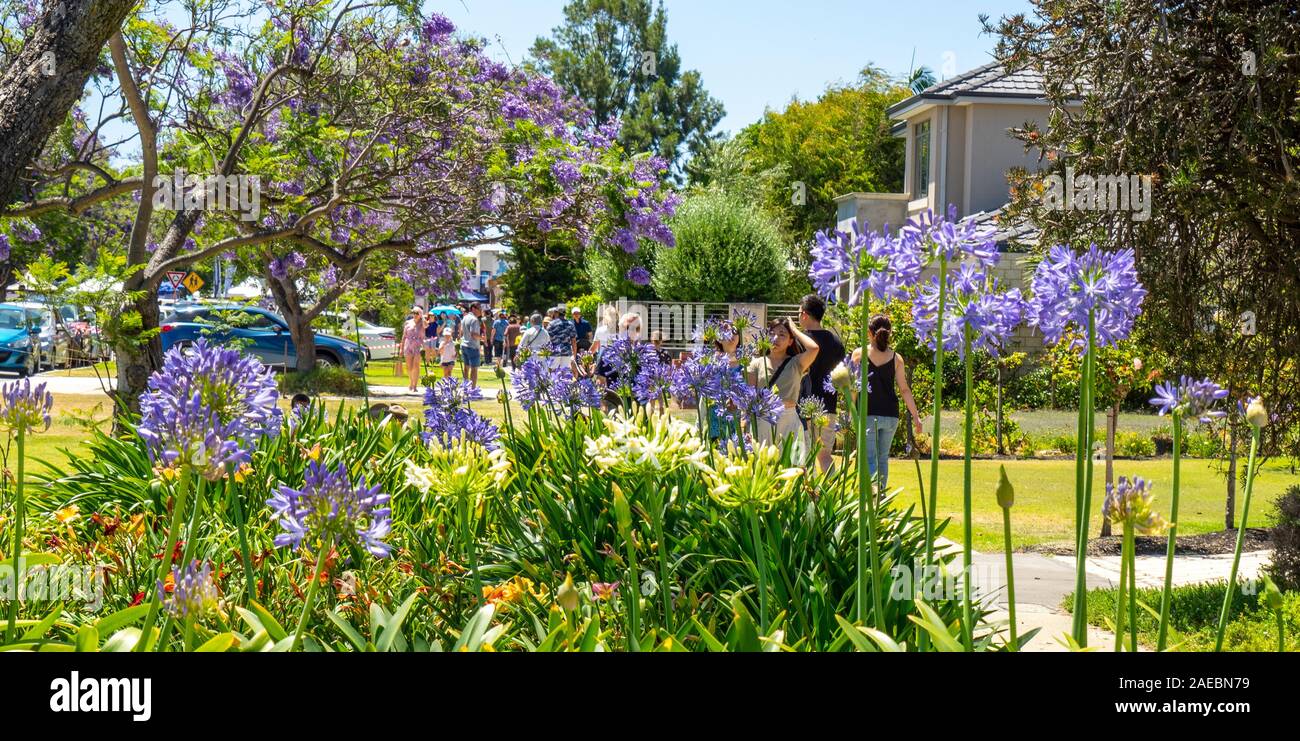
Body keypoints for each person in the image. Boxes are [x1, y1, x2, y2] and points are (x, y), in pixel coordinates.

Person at [850, 314, 923, 489]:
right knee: (882, 458)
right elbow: (904, 389)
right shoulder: (896, 358)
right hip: (890, 415)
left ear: (869, 332)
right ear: (889, 333)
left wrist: (851, 410)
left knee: (868, 458)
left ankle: (871, 497)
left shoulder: (859, 354)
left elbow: (853, 386)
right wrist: (916, 416)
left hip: (867, 412)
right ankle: (879, 497)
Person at [747, 318, 820, 459]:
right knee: (763, 465)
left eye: (782, 335)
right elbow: (750, 398)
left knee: (793, 465)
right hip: (763, 419)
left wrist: (795, 330)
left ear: (791, 341)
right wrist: (747, 426)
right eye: (771, 333)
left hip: (789, 418)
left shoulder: (796, 362)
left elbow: (814, 348)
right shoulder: (756, 363)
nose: (775, 338)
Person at [798, 294, 847, 472]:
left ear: (804, 314)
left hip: (803, 405)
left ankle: (807, 496)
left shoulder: (800, 341)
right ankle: (831, 496)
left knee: (804, 455)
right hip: (828, 405)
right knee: (825, 455)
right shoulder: (835, 341)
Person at [400, 306, 427, 392]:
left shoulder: (423, 322)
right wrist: (401, 348)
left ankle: (415, 385)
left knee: (416, 365)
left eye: (417, 313)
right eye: (414, 313)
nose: (415, 315)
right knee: (409, 366)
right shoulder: (408, 322)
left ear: (420, 314)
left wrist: (422, 318)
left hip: (418, 345)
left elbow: (426, 326)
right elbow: (404, 336)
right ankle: (411, 382)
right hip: (408, 345)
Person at [460, 303, 484, 385]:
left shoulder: (465, 317)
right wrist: (482, 338)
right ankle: (473, 390)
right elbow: (473, 334)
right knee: (474, 369)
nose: (481, 311)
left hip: (464, 345)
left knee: (466, 368)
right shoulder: (474, 319)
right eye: (479, 308)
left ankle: (465, 387)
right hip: (472, 346)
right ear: (473, 308)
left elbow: (461, 332)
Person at [547, 305, 576, 372]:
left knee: (553, 374)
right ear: (565, 313)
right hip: (566, 352)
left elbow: (547, 339)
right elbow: (573, 341)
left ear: (557, 313)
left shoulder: (551, 324)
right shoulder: (570, 324)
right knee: (565, 374)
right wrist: (574, 355)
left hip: (554, 352)